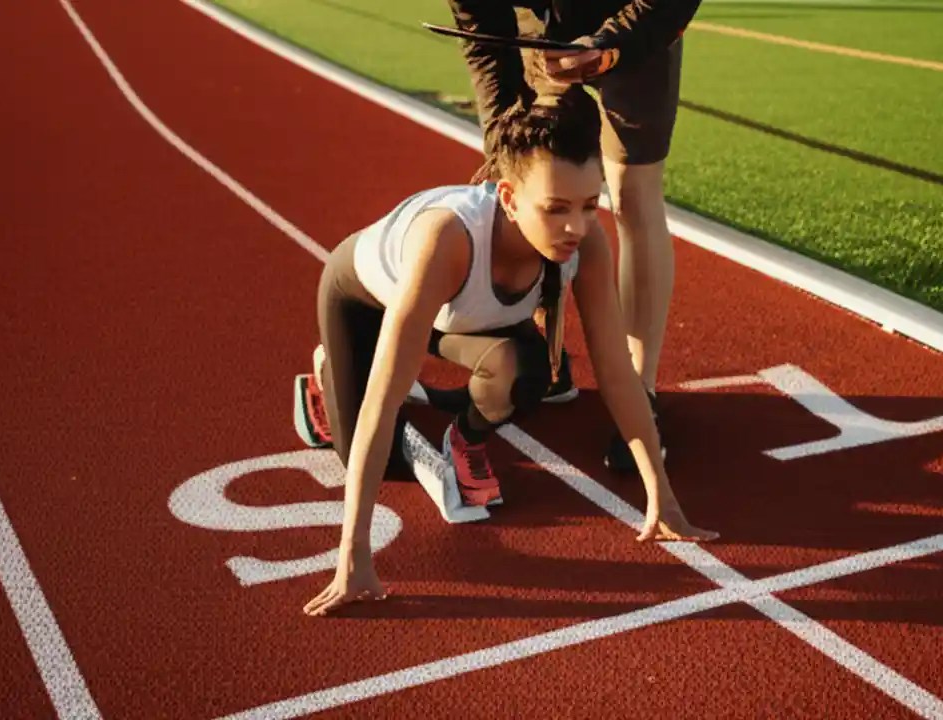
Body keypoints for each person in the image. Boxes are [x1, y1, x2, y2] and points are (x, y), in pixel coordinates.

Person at [296, 87, 717, 617]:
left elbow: (616, 372)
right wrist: (353, 554)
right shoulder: (446, 239)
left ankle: (461, 434)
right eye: (556, 208)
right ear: (509, 198)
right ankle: (327, 370)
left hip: (458, 316)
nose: (576, 226)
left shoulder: (584, 244)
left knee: (529, 374)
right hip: (367, 300)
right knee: (379, 453)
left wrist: (664, 498)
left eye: (590, 205)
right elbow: (383, 399)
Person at [448, 0, 700, 471]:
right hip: (540, 30)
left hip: (634, 16)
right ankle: (547, 358)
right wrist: (504, 141)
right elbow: (482, 32)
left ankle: (638, 393)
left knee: (632, 196)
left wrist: (609, 49)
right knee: (533, 184)